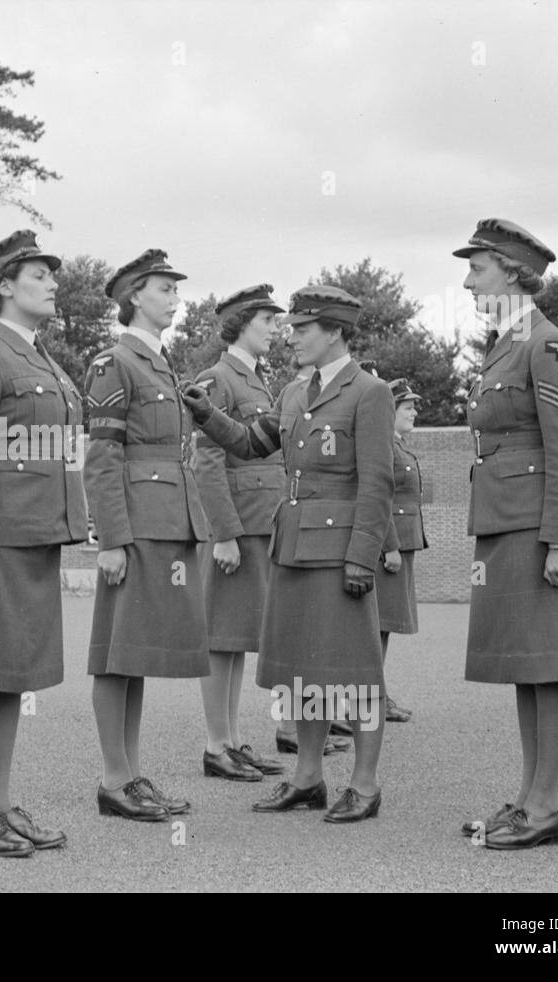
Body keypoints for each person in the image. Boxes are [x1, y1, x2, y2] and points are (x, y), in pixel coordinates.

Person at [183, 285, 394, 824]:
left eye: (303, 329)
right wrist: (208, 415)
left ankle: (365, 786)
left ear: (336, 332)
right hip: (293, 546)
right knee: (299, 669)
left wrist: (362, 558)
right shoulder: (297, 393)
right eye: (291, 327)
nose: (292, 337)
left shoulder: (368, 392)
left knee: (357, 671)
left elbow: (376, 483)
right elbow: (254, 441)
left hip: (340, 551)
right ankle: (307, 777)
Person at [452, 218, 558, 849]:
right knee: (526, 667)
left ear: (513, 273)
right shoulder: (503, 345)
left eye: (477, 269)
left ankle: (545, 809)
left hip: (540, 528)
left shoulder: (547, 345)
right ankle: (526, 800)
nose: (466, 282)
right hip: (506, 522)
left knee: (550, 666)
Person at [0, 230, 88, 856]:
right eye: (39, 274)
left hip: (35, 537)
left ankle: (2, 805)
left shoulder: (44, 362)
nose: (53, 282)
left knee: (12, 679)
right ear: (4, 286)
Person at [84, 249, 210, 822]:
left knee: (132, 654)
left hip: (162, 521)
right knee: (115, 655)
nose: (175, 297)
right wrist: (111, 538)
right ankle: (114, 778)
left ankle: (130, 774)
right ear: (135, 295)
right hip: (134, 526)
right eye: (164, 288)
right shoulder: (115, 361)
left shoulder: (159, 361)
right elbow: (103, 455)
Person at [190, 285, 287, 782]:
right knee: (220, 639)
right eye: (268, 320)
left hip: (259, 523)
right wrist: (224, 533)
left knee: (236, 639)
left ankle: (229, 740)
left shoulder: (255, 379)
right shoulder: (218, 377)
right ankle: (215, 745)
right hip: (238, 527)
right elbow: (206, 463)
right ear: (242, 322)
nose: (276, 328)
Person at [375, 378, 428, 723]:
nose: (413, 413)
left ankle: (375, 693)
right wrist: (389, 546)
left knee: (384, 626)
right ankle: (370, 697)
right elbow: (380, 498)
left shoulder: (398, 445)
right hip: (387, 548)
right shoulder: (383, 445)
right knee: (376, 626)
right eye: (407, 407)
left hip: (401, 545)